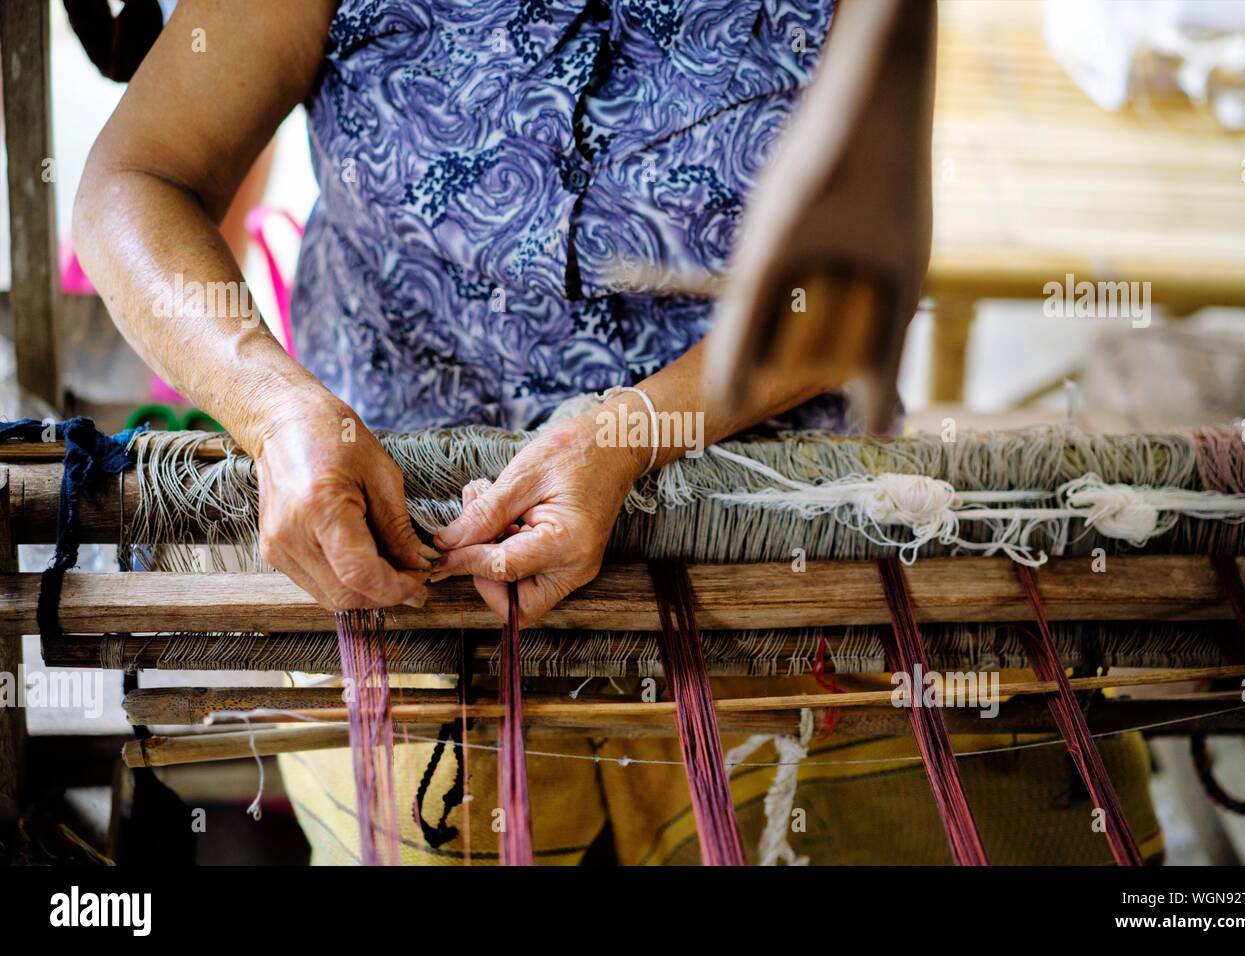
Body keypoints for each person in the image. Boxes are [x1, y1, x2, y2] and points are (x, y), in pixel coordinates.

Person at [74, 0, 1160, 864]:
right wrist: (272, 406)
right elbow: (137, 181)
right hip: (398, 548)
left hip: (752, 528)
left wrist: (635, 430)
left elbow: (858, 284)